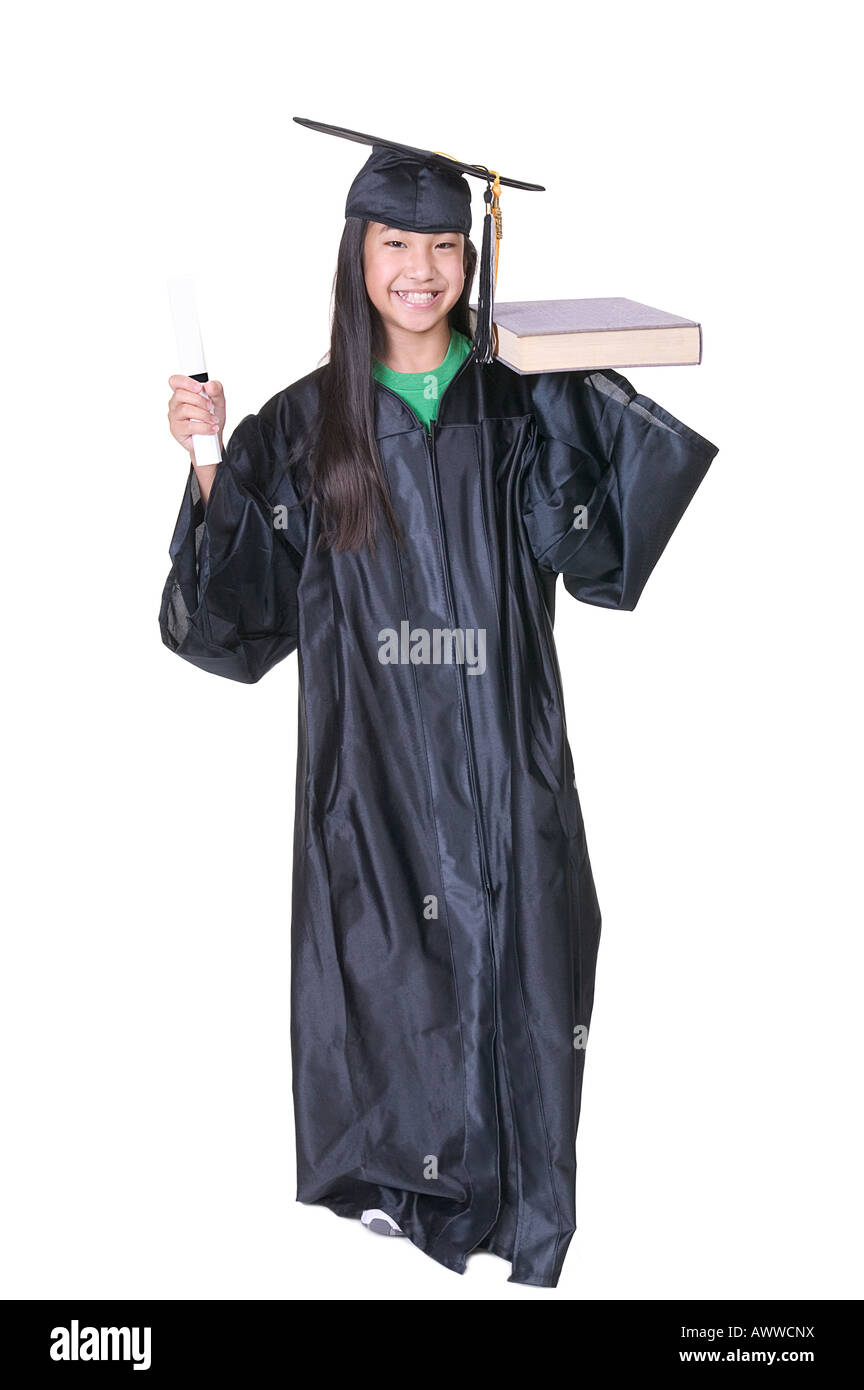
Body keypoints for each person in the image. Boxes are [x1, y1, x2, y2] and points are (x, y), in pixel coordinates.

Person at [160, 118, 719, 1288]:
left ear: (471, 262)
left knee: (526, 971)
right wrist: (211, 459)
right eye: (397, 243)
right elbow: (231, 623)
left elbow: (597, 560)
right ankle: (400, 1190)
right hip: (372, 774)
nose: (421, 269)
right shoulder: (305, 425)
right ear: (356, 255)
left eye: (445, 248)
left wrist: (572, 394)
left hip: (509, 755)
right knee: (385, 968)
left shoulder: (515, 407)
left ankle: (512, 1207)